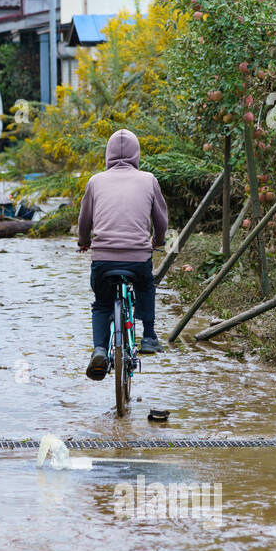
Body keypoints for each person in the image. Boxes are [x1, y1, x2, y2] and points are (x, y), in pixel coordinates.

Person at [76, 128, 168, 380]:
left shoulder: (95, 181)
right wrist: (158, 241)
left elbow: (84, 220)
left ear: (107, 155)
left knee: (102, 304)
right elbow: (161, 220)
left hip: (103, 259)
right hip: (138, 258)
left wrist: (84, 242)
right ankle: (148, 336)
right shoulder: (149, 179)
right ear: (137, 155)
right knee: (146, 286)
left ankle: (99, 349)